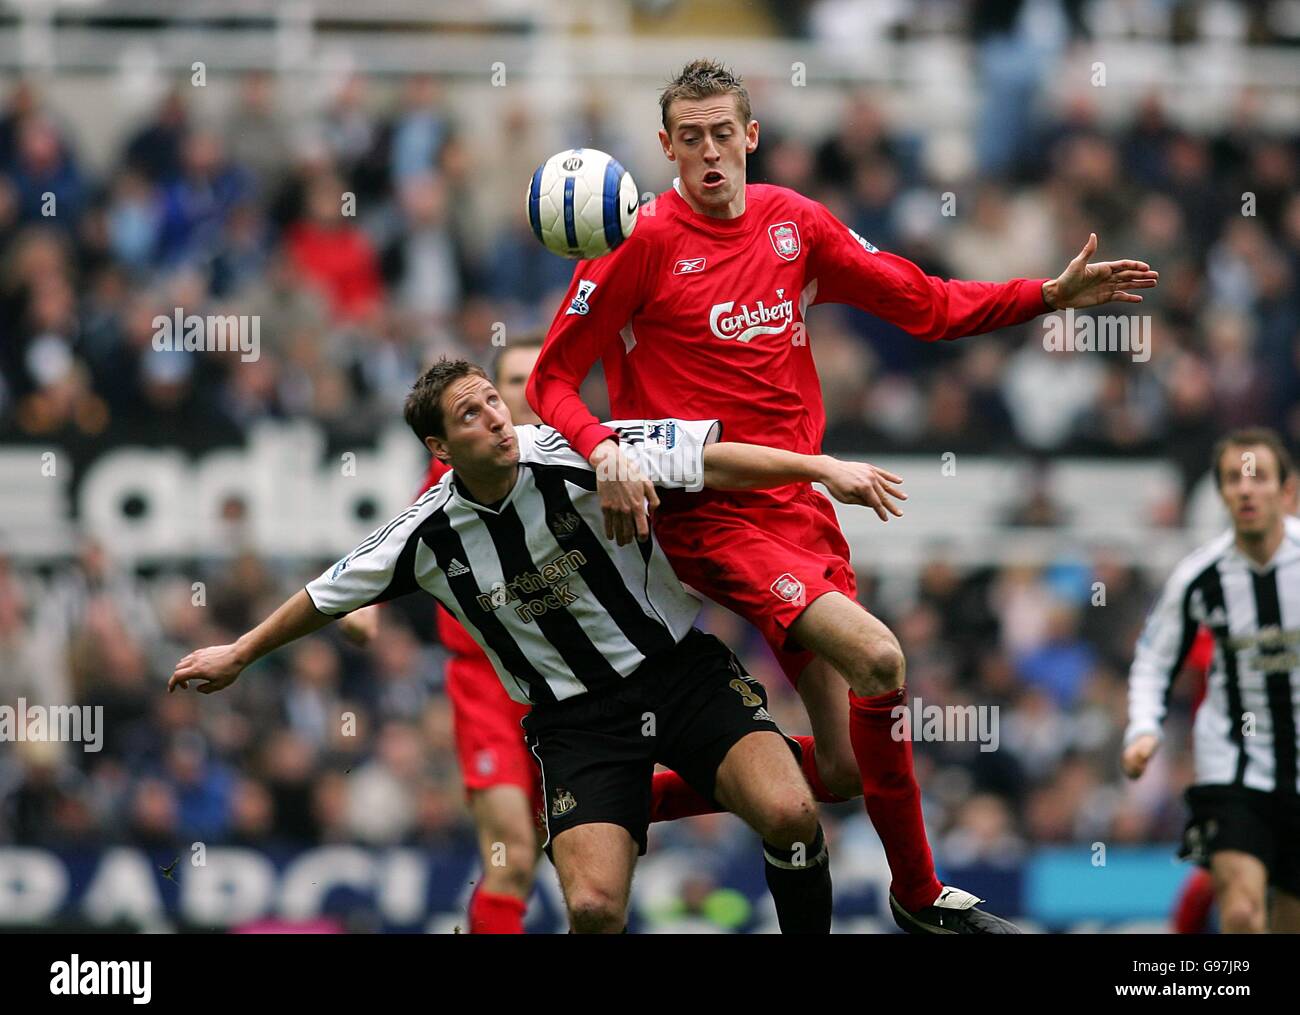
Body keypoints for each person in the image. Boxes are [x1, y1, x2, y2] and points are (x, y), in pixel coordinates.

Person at [527, 58, 1158, 932]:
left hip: (802, 510)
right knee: (881, 659)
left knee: (845, 769)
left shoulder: (796, 224)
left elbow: (927, 305)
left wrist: (1047, 295)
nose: (710, 154)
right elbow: (550, 382)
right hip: (708, 512)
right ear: (665, 148)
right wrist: (604, 451)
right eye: (691, 139)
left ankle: (607, 804)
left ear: (751, 136)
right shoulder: (635, 243)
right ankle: (921, 896)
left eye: (724, 134)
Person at [168, 357, 905, 933]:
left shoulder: (581, 454)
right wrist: (239, 653)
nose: (495, 417)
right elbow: (325, 592)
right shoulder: (425, 534)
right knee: (592, 910)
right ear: (439, 446)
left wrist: (822, 468)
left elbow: (710, 459)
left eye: (494, 399)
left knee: (790, 814)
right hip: (575, 725)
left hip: (683, 676)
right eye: (471, 413)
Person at [340, 336, 546, 934]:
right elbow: (404, 536)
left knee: (583, 864)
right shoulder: (456, 466)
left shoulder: (578, 456)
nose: (520, 397)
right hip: (486, 680)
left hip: (569, 681)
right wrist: (365, 603)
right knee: (511, 852)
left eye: (535, 382)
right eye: (509, 383)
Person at [1124, 428, 1300, 934]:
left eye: (1258, 477)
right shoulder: (1199, 577)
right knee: (1242, 912)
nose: (1246, 490)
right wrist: (1143, 728)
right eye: (1232, 479)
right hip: (1233, 765)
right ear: (1221, 492)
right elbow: (1154, 659)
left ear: (1285, 492)